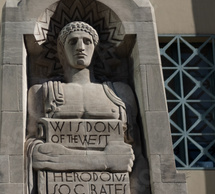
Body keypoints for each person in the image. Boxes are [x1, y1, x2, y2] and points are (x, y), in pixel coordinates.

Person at [25, 21, 140, 185]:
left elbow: (135, 153)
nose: (80, 47)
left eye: (87, 41)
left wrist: (62, 156)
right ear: (61, 51)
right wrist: (105, 160)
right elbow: (38, 154)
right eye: (73, 42)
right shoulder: (42, 93)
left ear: (96, 49)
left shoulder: (119, 93)